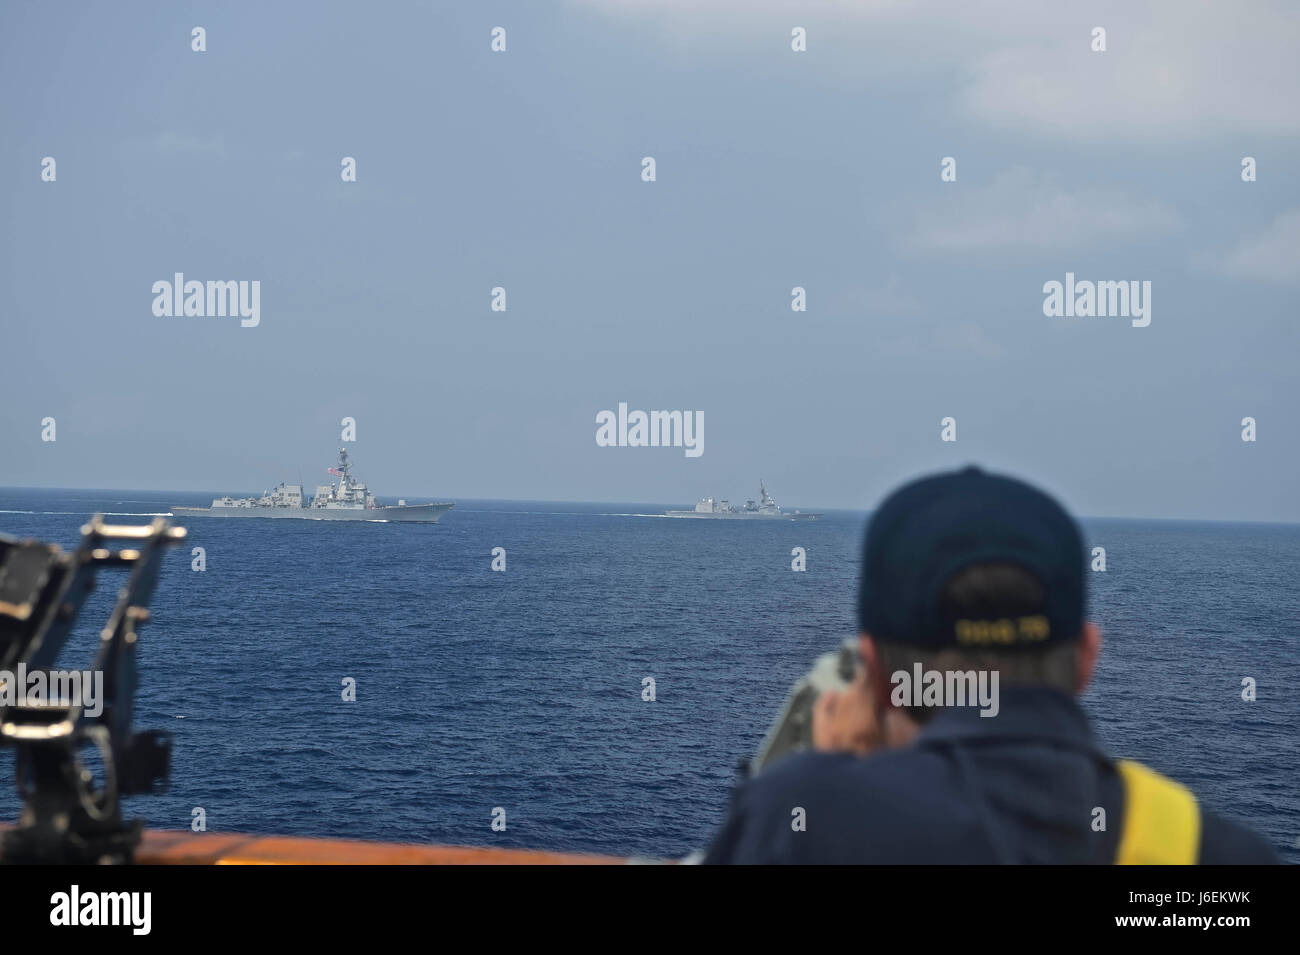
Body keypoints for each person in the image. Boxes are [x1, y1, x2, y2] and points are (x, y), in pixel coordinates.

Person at [704, 466, 1279, 864]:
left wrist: (813, 783)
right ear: (1086, 658)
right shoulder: (1222, 856)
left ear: (875, 672)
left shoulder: (802, 822)